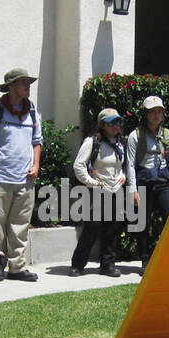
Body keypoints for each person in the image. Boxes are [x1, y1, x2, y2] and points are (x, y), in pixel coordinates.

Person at [0, 68, 43, 282]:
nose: (28, 86)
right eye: (24, 83)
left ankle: (17, 267)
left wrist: (36, 165)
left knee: (20, 224)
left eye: (28, 83)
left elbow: (37, 141)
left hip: (25, 178)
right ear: (11, 86)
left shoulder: (31, 110)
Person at [124, 94, 169, 267]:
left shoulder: (167, 135)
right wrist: (132, 190)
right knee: (142, 221)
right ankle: (144, 259)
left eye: (159, 111)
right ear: (146, 114)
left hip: (163, 182)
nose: (156, 115)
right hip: (144, 181)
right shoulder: (136, 136)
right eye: (152, 111)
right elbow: (130, 164)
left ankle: (166, 256)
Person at [70, 107, 126, 277]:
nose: (116, 126)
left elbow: (119, 165)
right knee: (92, 228)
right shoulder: (92, 142)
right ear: (102, 125)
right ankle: (78, 265)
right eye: (112, 123)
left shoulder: (119, 143)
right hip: (98, 191)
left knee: (112, 230)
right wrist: (92, 182)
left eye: (118, 122)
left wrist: (122, 175)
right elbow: (79, 165)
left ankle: (107, 265)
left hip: (116, 190)